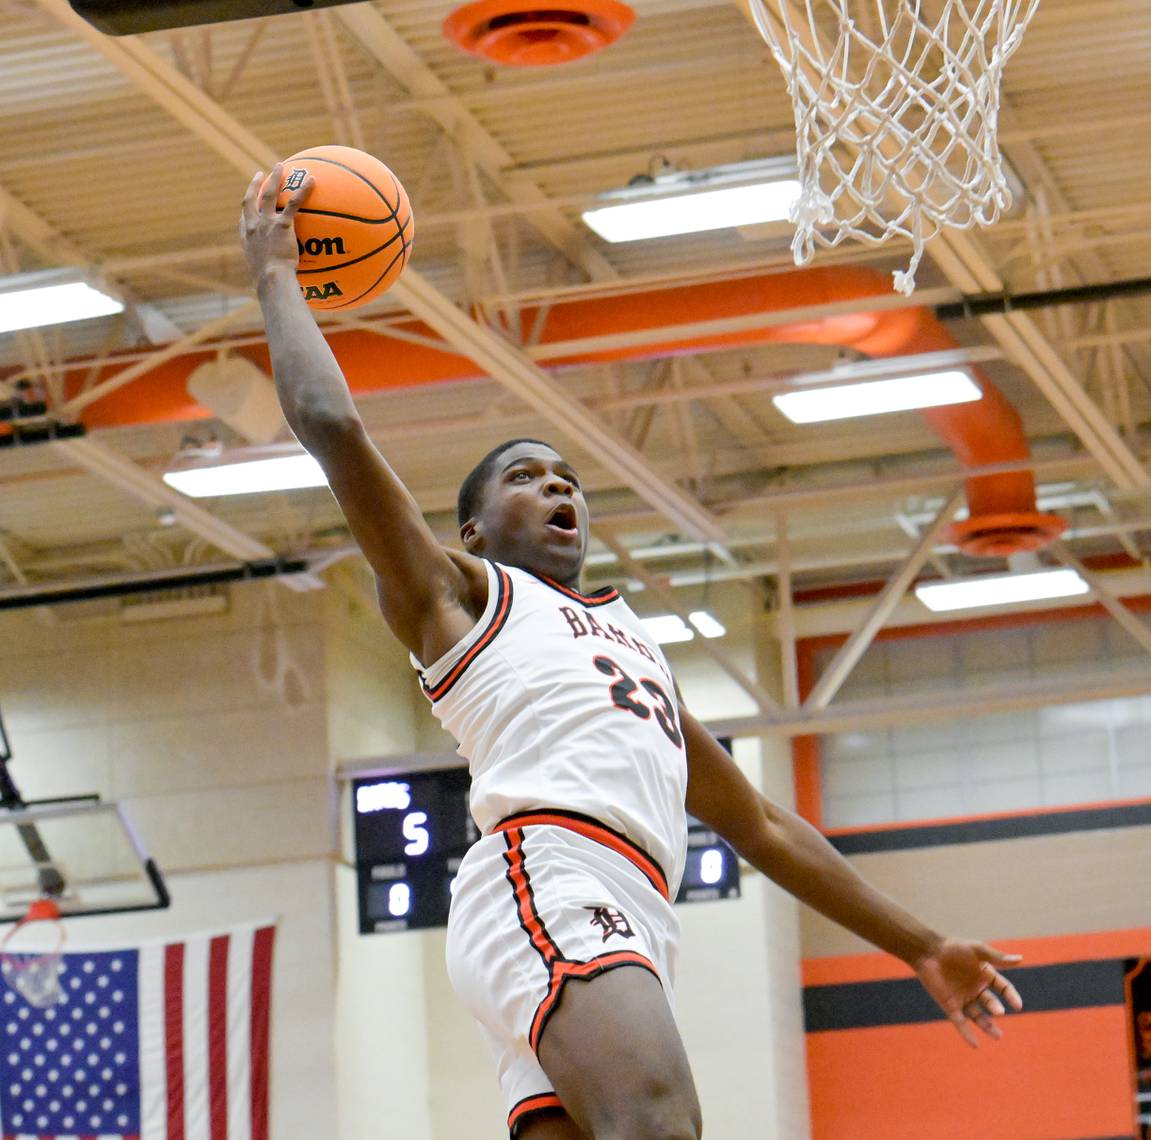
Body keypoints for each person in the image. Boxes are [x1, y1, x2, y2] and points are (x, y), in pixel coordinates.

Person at [240, 163, 1022, 1140]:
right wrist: (274, 270)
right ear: (474, 530)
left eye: (568, 477)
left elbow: (762, 827)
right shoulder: (460, 597)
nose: (558, 488)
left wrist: (923, 944)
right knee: (659, 1129)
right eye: (525, 478)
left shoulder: (629, 639)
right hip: (548, 873)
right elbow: (331, 423)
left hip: (634, 907)